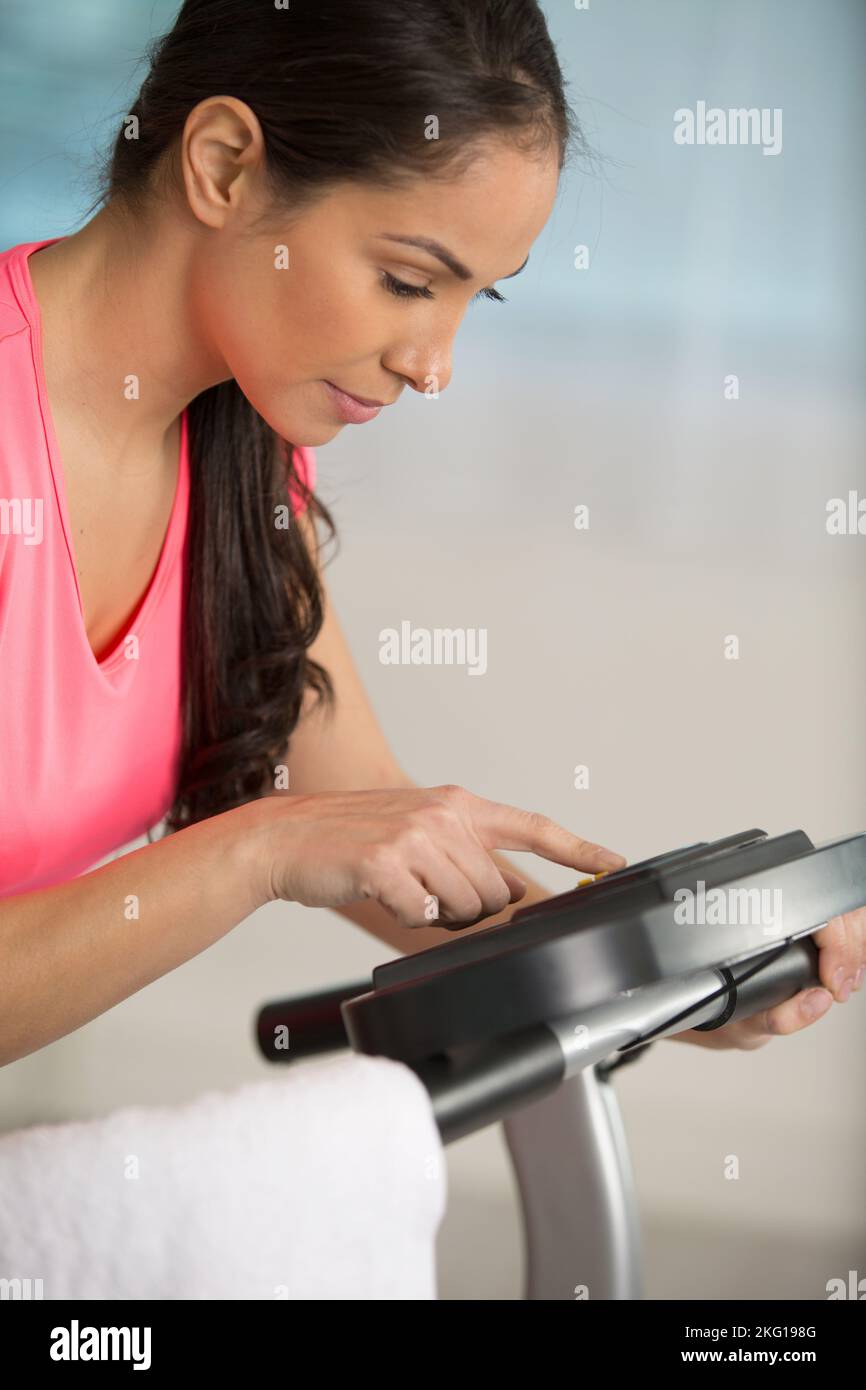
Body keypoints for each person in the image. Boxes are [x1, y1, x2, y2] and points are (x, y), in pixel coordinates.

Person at [0, 0, 861, 1068]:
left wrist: (661, 980)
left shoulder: (237, 446)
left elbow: (360, 820)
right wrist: (253, 852)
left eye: (471, 299)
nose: (432, 364)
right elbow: (293, 835)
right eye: (407, 281)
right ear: (222, 166)